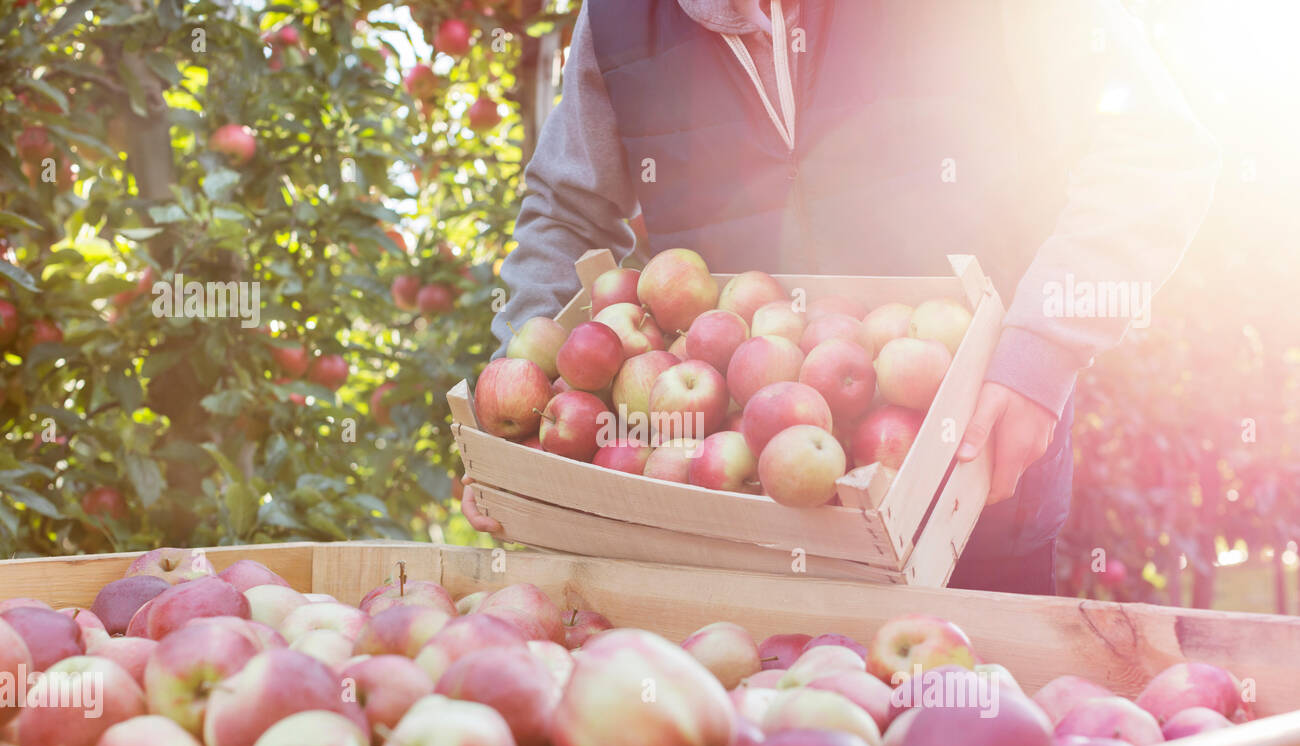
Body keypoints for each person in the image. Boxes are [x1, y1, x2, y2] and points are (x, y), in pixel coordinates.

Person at [462, 0, 1220, 595]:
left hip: (969, 476)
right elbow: (566, 211)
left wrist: (1043, 351)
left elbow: (1155, 146)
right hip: (730, 507)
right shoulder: (624, 16)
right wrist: (521, 420)